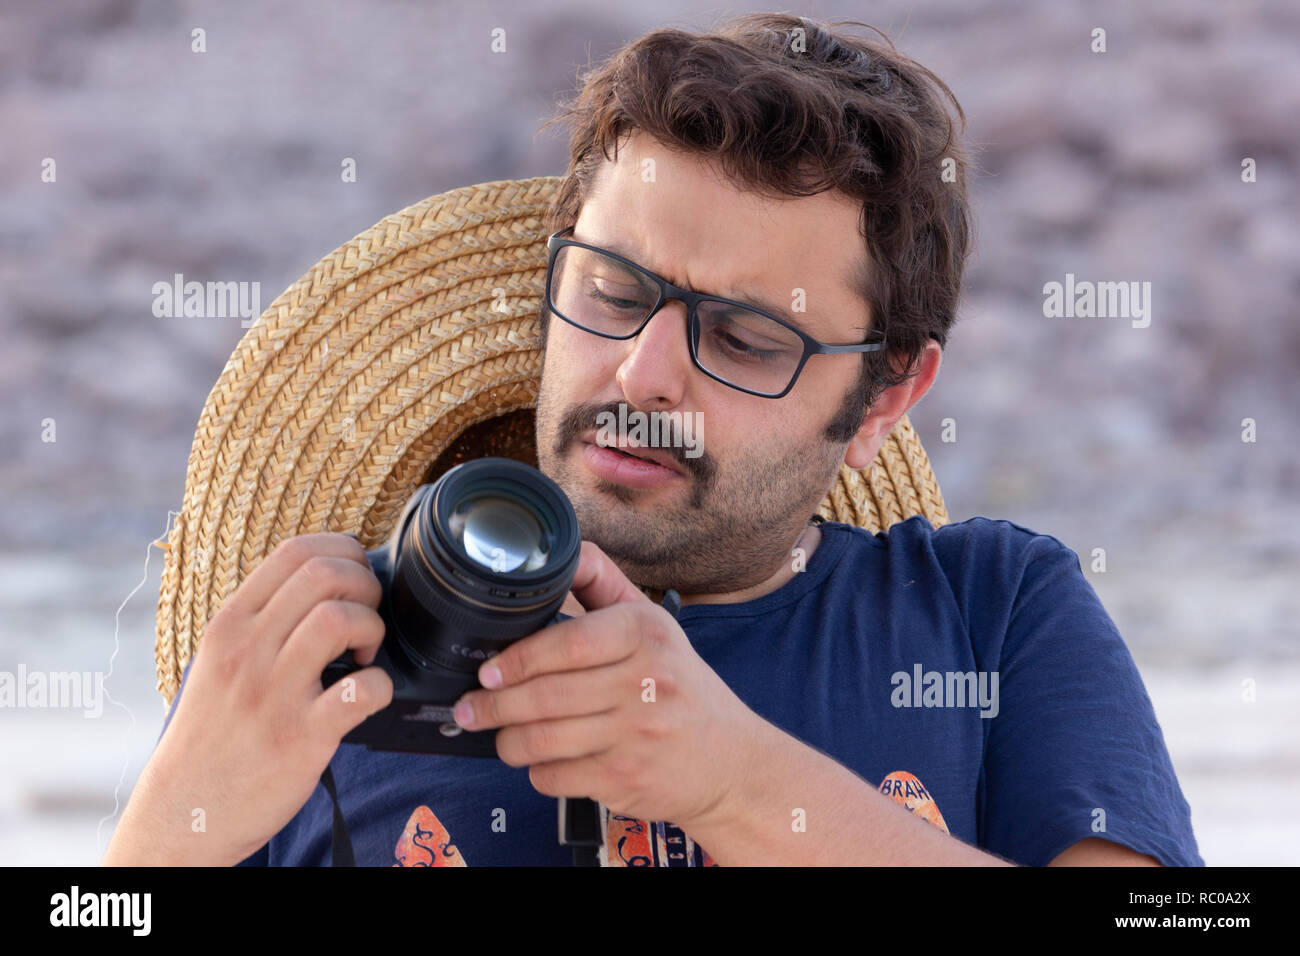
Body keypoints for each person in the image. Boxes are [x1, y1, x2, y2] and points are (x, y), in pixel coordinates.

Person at [103, 13, 1201, 867]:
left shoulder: (990, 612)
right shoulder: (316, 659)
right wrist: (166, 829)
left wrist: (738, 784)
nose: (643, 373)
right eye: (617, 290)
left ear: (883, 398)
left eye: (743, 335)